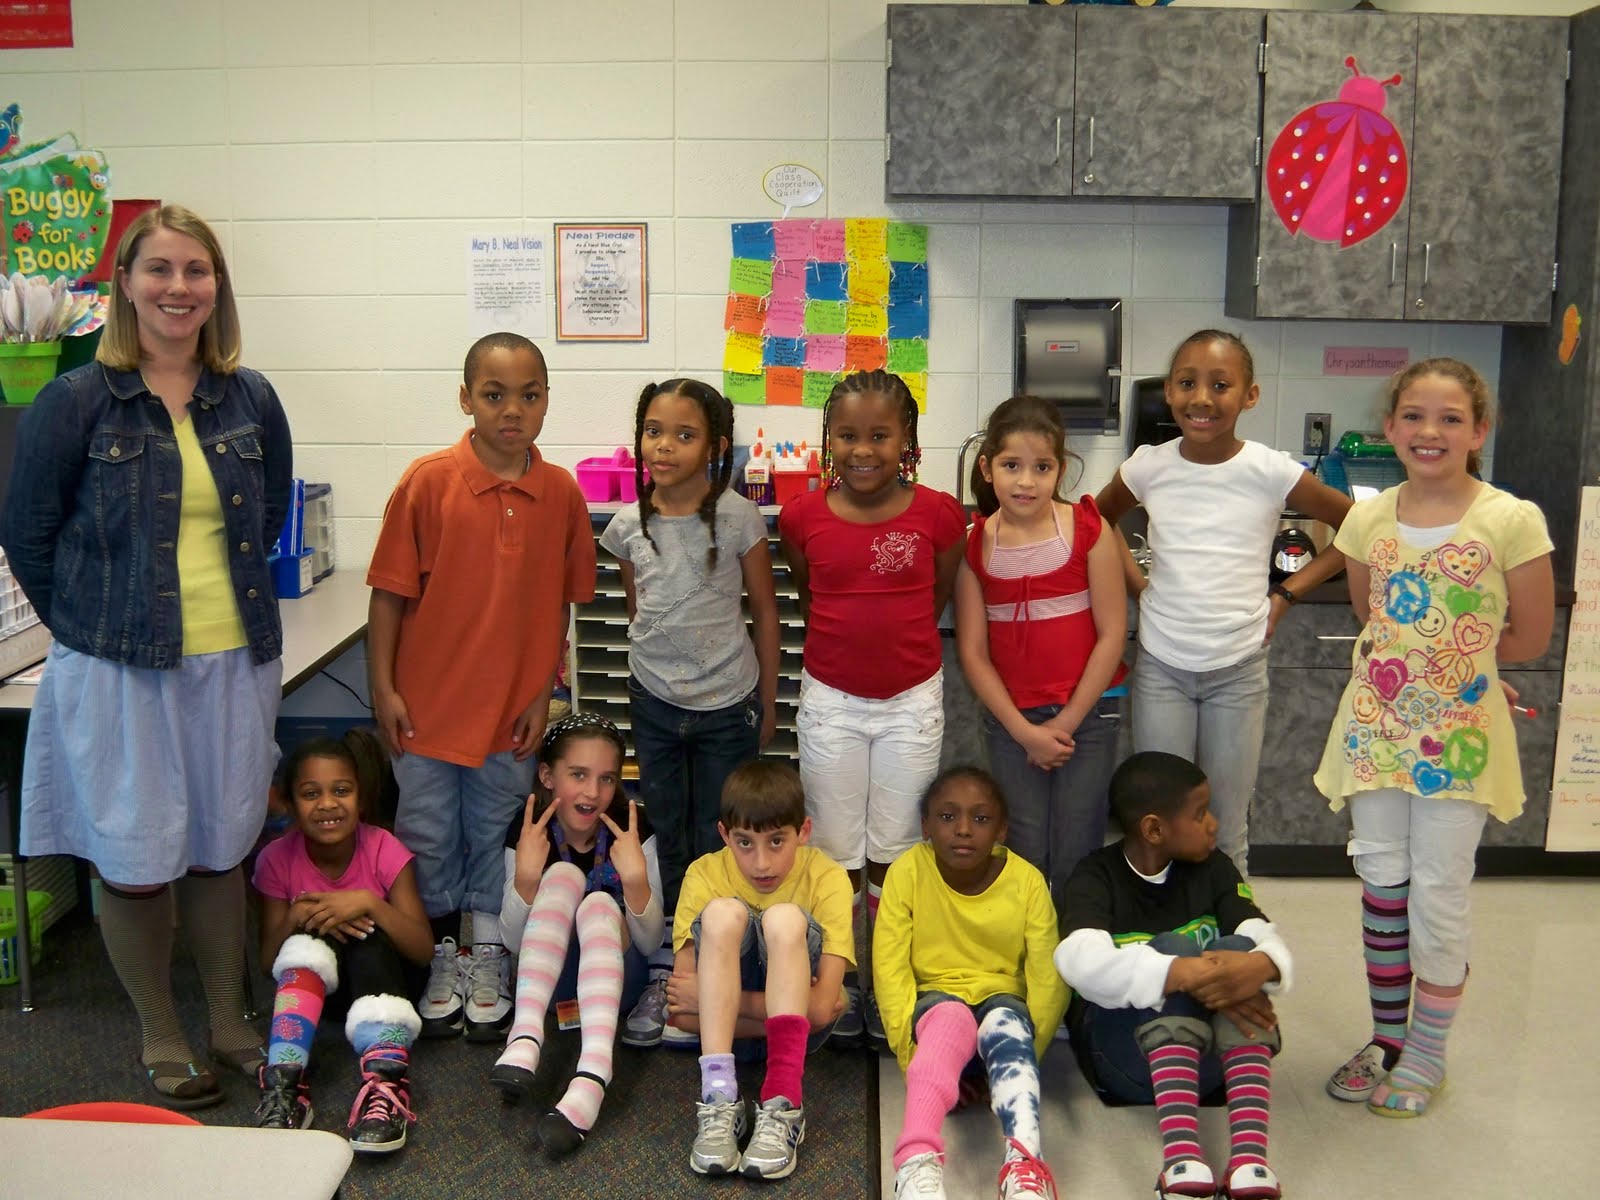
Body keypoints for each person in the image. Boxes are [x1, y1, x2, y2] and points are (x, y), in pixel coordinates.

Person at [0, 204, 291, 1108]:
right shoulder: (77, 399)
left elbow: (270, 509)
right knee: (135, 858)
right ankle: (162, 1034)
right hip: (121, 670)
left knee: (218, 848)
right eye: (159, 270)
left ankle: (230, 1020)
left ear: (217, 288)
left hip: (231, 663)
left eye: (196, 271)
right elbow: (29, 532)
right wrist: (94, 630)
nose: (179, 288)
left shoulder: (249, 398)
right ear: (124, 283)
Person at [1313, 358, 1553, 1117]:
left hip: (1459, 744)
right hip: (1378, 733)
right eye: (1414, 415)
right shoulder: (1367, 517)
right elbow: (1375, 621)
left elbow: (1530, 634)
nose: (1430, 431)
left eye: (1451, 419)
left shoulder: (1511, 520)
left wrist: (1460, 673)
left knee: (1439, 897)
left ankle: (1426, 1055)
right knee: (1382, 886)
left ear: (1479, 431)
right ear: (1389, 427)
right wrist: (1421, 666)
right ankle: (1387, 1038)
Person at [367, 331, 596, 1044]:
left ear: (547, 402)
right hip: (426, 710)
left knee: (498, 837)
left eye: (529, 395)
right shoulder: (427, 482)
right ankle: (443, 955)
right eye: (494, 395)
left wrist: (539, 696)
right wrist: (383, 690)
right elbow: (387, 598)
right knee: (430, 836)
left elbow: (560, 601)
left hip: (512, 716)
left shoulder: (560, 492)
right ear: (466, 398)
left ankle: (489, 954)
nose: (512, 410)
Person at [1096, 330, 1352, 876]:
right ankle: (1168, 939)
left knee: (1223, 823)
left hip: (1238, 671)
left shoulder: (1271, 471)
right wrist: (1140, 588)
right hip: (1164, 669)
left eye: (1220, 384)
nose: (1202, 399)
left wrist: (1288, 592)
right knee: (1159, 820)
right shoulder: (1148, 466)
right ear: (1168, 391)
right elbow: (1097, 520)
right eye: (1187, 383)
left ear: (1250, 395)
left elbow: (1360, 527)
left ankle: (1228, 938)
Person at [778, 368, 966, 1044]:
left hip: (910, 702)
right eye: (848, 435)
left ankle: (889, 981)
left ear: (908, 440)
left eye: (880, 436)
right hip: (831, 700)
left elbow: (938, 593)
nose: (863, 450)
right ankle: (841, 981)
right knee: (834, 852)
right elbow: (809, 591)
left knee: (893, 849)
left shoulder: (940, 515)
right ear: (828, 439)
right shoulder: (801, 517)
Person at [599, 378, 779, 1048]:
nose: (664, 446)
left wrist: (764, 701)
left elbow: (765, 611)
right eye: (653, 430)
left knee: (720, 836)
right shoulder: (626, 525)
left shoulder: (737, 518)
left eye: (683, 433)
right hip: (654, 702)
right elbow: (637, 611)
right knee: (668, 832)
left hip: (726, 703)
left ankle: (719, 960)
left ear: (715, 445)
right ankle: (670, 965)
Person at [1055, 752, 1292, 1200]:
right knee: (1174, 949)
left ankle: (1250, 1162)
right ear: (1153, 829)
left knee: (1240, 951)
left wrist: (1263, 966)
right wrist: (1178, 971)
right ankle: (1181, 1159)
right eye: (1200, 813)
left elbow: (1262, 933)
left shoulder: (1214, 866)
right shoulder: (1095, 875)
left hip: (1211, 1067)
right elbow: (1076, 962)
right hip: (1123, 1063)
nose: (1214, 824)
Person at [955, 396, 1128, 901]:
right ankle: (1030, 963)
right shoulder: (976, 545)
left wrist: (1066, 723)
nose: (1026, 481)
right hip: (1012, 726)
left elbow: (1112, 633)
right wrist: (1025, 732)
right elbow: (973, 654)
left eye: (1042, 467)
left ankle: (1076, 964)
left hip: (1090, 718)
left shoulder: (1090, 530)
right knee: (1023, 848)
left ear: (1062, 469)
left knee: (1080, 845)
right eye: (1012, 466)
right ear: (987, 469)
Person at [877, 767, 1067, 1200]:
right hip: (934, 1019)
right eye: (947, 817)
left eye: (980, 819)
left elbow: (1047, 978)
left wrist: (1027, 1054)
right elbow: (890, 971)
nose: (963, 830)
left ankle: (1024, 1162)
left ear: (1002, 829)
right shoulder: (907, 873)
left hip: (1006, 1019)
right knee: (950, 1018)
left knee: (1005, 1020)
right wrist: (909, 1057)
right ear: (925, 825)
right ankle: (916, 1160)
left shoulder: (1027, 882)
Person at [665, 761, 852, 1181]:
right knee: (722, 913)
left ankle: (784, 1101)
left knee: (784, 919)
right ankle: (718, 1098)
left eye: (777, 842)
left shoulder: (828, 877)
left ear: (803, 832)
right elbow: (682, 1012)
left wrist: (717, 1001)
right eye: (744, 843)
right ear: (724, 835)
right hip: (742, 1040)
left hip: (791, 1047)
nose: (761, 863)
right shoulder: (704, 874)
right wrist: (804, 1006)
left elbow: (820, 1015)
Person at [489, 712, 663, 1157]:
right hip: (545, 987)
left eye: (605, 779)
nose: (592, 792)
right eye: (578, 775)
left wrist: (638, 883)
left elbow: (649, 943)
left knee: (600, 903)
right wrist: (528, 879)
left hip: (617, 983)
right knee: (563, 875)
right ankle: (525, 1036)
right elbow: (511, 940)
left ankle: (594, 1069)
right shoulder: (528, 829)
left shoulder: (632, 826)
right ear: (547, 775)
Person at [252, 730, 432, 1152]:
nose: (328, 804)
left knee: (366, 936)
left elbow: (423, 950)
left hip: (391, 983)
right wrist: (297, 917)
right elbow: (266, 963)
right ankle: (285, 1083)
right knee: (307, 941)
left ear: (361, 799)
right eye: (311, 793)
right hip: (324, 997)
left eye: (341, 791)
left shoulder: (384, 848)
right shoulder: (276, 859)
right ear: (291, 803)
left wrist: (370, 904)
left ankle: (386, 1084)